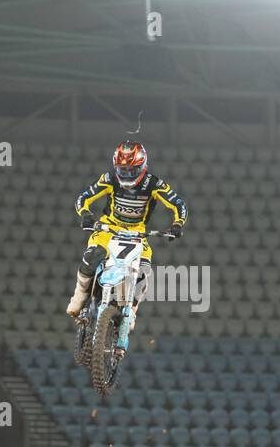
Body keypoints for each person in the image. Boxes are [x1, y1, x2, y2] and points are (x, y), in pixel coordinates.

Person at [64, 140, 187, 332]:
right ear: (116, 166)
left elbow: (178, 204)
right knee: (92, 255)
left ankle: (132, 309)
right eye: (123, 170)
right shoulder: (109, 178)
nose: (127, 175)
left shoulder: (154, 184)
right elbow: (83, 198)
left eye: (132, 171)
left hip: (137, 232)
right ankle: (79, 296)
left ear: (143, 167)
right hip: (108, 228)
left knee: (144, 272)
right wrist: (86, 215)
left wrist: (178, 224)